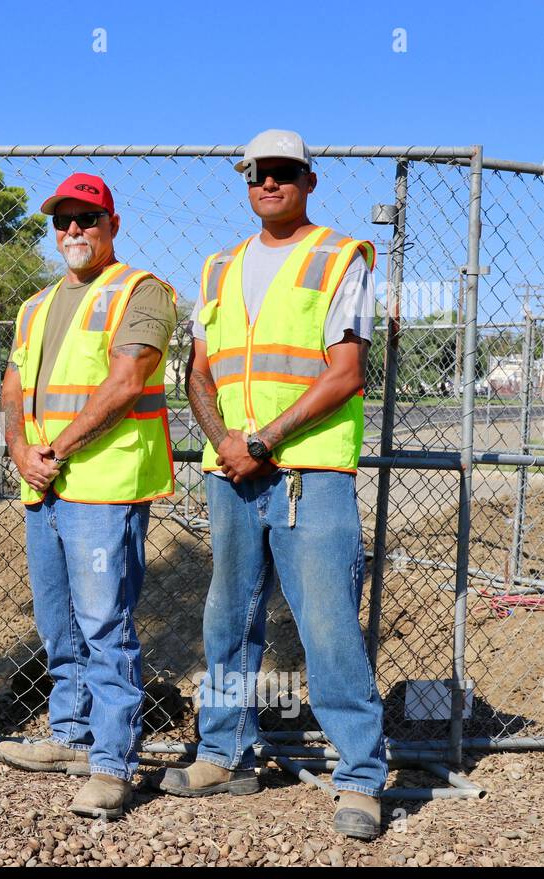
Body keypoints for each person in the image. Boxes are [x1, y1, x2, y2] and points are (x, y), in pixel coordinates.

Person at [159, 129, 387, 840]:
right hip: (231, 472)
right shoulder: (219, 266)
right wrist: (225, 441)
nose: (269, 182)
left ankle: (360, 776)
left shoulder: (337, 258)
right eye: (257, 172)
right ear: (246, 180)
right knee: (227, 620)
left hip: (307, 472)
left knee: (325, 626)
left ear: (309, 181)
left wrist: (262, 441)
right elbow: (199, 369)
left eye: (284, 172)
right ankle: (226, 753)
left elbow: (345, 372)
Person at [0, 173, 178, 820]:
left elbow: (127, 381)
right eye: (63, 220)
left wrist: (56, 451)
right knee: (59, 625)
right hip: (43, 484)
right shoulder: (37, 304)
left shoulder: (142, 292)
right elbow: (13, 386)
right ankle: (70, 735)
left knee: (106, 625)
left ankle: (113, 762)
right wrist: (21, 450)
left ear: (113, 224)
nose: (74, 230)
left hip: (103, 487)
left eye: (87, 218)